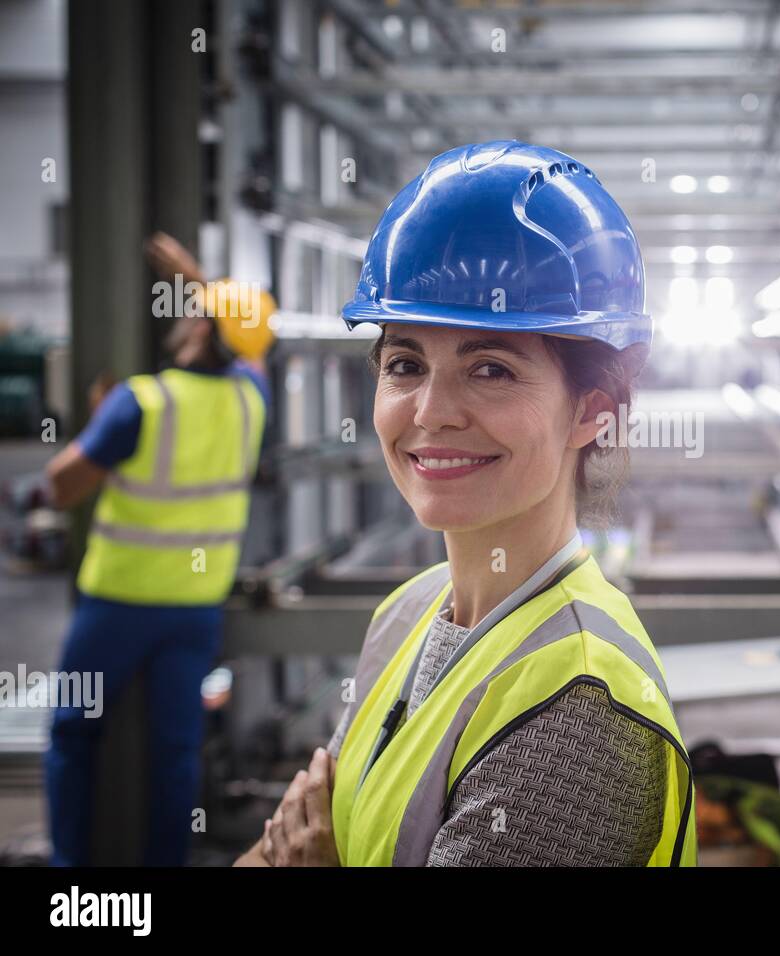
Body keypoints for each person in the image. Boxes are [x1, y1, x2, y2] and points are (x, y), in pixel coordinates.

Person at [235, 141, 696, 867]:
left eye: (490, 369)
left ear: (589, 414)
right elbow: (276, 852)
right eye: (405, 364)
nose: (431, 412)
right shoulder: (406, 614)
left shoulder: (582, 716)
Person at [44, 233, 274, 866]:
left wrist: (96, 428)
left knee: (73, 734)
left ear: (200, 330)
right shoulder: (252, 401)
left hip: (117, 606)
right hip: (195, 608)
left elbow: (60, 487)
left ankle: (71, 876)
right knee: (175, 750)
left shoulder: (140, 403)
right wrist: (199, 279)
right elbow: (245, 344)